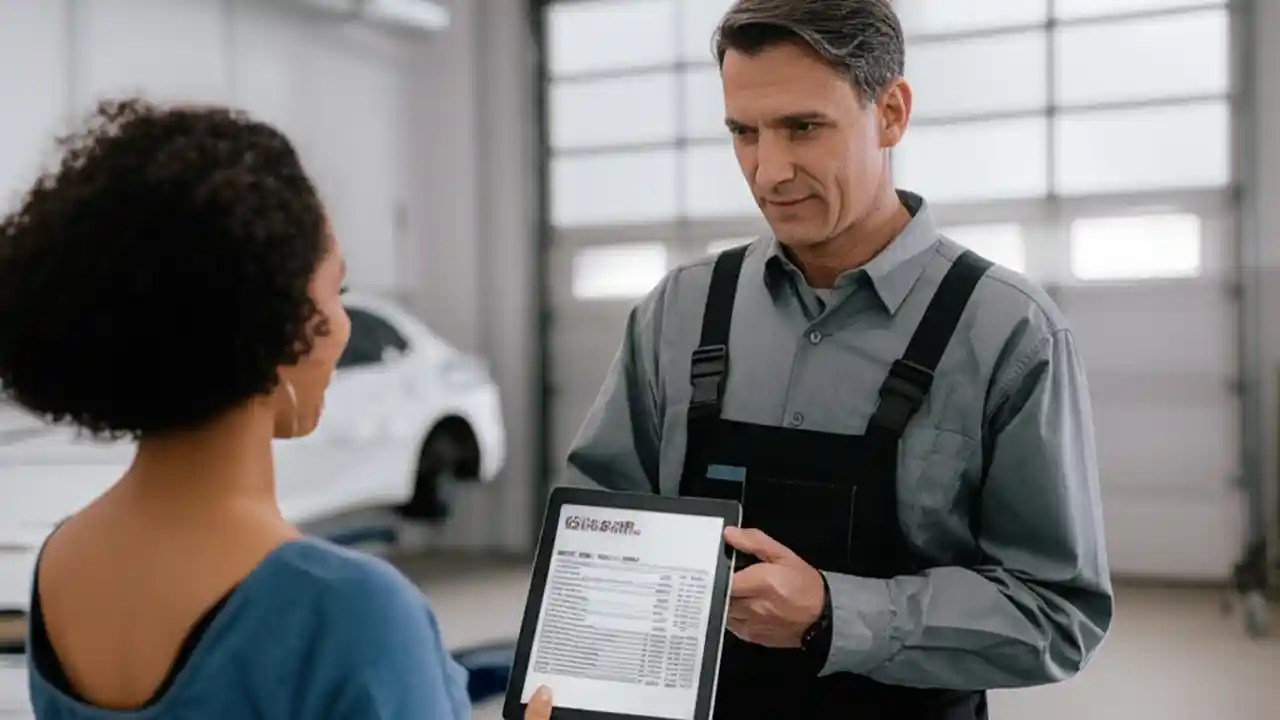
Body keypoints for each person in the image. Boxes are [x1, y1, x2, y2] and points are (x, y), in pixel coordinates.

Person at [564, 1, 1113, 718]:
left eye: (804, 127)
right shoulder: (679, 313)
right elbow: (594, 547)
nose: (769, 172)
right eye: (744, 133)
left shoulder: (1010, 334)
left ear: (890, 112)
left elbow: (1056, 612)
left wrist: (835, 612)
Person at [0, 99, 553, 720]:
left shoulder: (61, 564)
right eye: (333, 292)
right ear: (280, 325)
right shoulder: (351, 612)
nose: (342, 326)